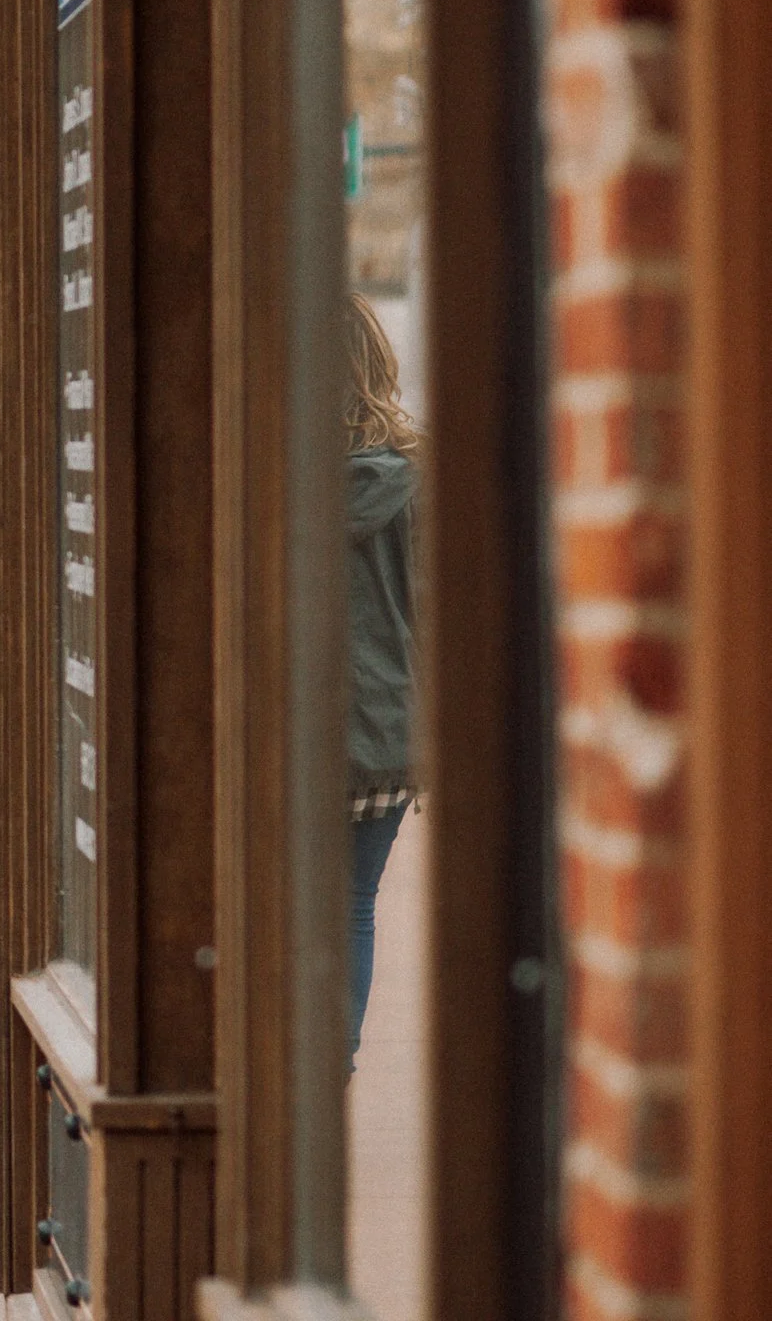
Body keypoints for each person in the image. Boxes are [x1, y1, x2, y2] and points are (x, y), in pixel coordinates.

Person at [346, 293, 421, 1067]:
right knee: (352, 908)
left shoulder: (264, 483)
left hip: (288, 732)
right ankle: (333, 1060)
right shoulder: (412, 479)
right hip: (385, 730)